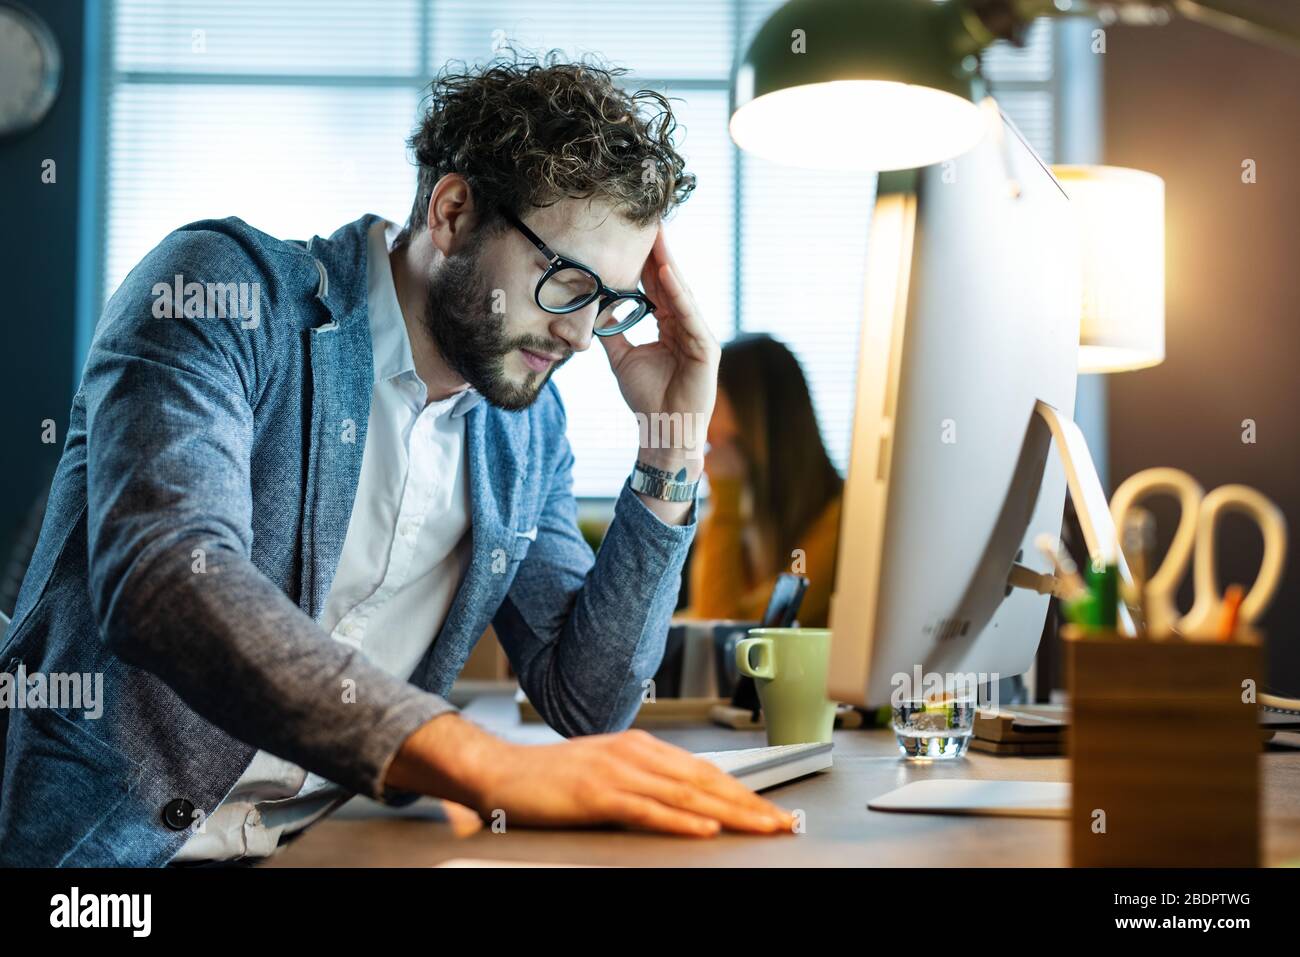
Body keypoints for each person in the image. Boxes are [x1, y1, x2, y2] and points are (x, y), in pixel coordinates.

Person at [0, 54, 794, 868]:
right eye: (565, 282)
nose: (582, 335)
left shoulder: (524, 431)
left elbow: (585, 699)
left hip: (330, 849)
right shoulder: (222, 292)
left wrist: (672, 441)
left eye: (609, 302)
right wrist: (482, 762)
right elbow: (169, 578)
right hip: (100, 858)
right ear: (451, 212)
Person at [686, 335, 843, 627]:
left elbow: (726, 629)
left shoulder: (840, 520)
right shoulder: (748, 517)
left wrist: (725, 504)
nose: (703, 430)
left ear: (754, 414)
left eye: (712, 406)